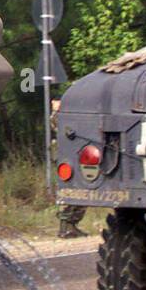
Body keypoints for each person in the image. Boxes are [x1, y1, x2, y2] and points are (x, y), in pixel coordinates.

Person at [50, 97, 87, 238]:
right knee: (71, 190)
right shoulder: (60, 117)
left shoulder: (72, 115)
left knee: (80, 190)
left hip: (75, 155)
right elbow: (57, 125)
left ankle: (70, 226)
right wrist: (56, 111)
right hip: (68, 156)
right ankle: (66, 227)